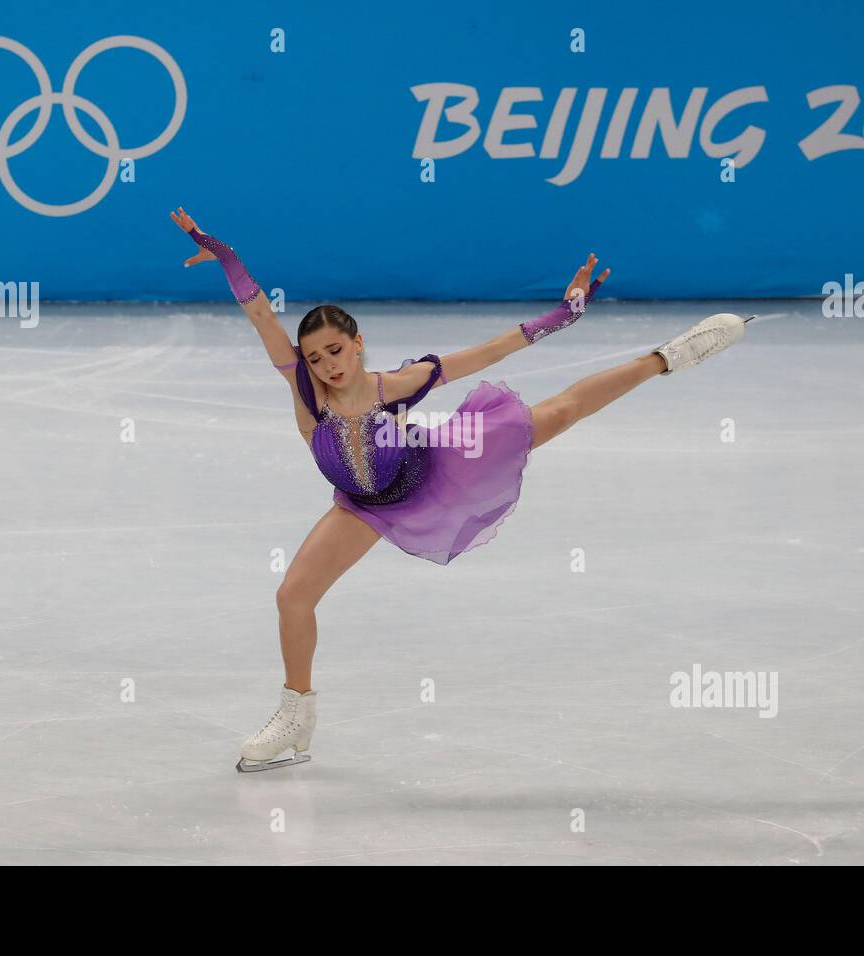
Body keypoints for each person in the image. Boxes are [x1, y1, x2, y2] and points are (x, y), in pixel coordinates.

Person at [167, 207, 747, 771]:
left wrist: (561, 316)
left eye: (336, 351)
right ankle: (296, 716)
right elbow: (261, 315)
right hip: (362, 505)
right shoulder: (304, 390)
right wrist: (225, 254)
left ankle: (666, 357)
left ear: (358, 342)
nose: (326, 365)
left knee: (556, 413)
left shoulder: (395, 384)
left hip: (435, 464)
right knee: (293, 596)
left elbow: (490, 352)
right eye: (315, 357)